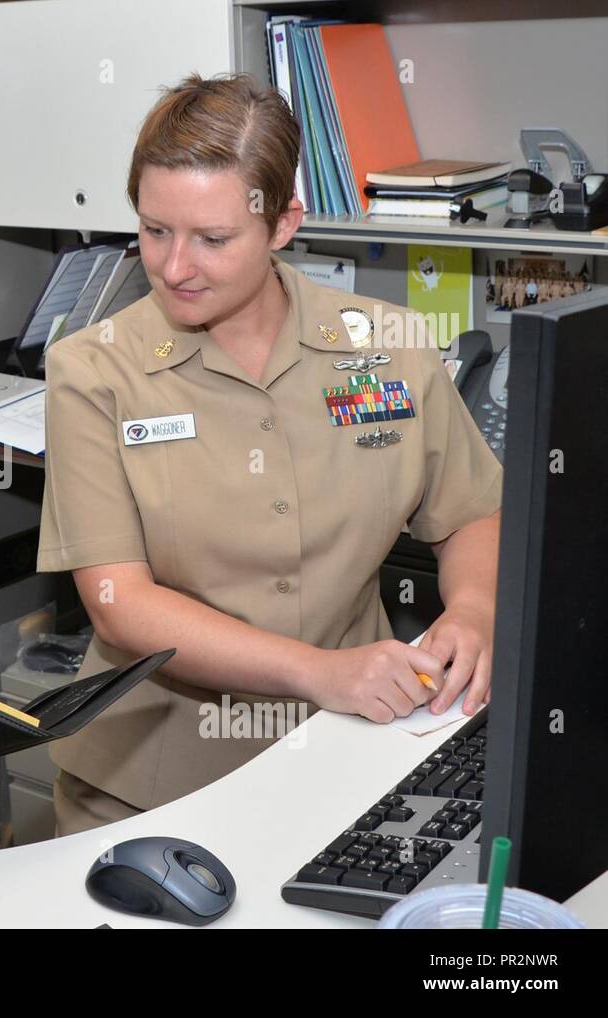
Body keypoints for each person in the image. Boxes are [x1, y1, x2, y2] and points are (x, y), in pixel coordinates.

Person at [37, 73, 501, 836]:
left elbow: (468, 511)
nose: (176, 267)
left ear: (284, 221)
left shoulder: (384, 345)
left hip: (351, 760)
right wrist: (319, 673)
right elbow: (119, 604)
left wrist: (475, 611)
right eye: (155, 230)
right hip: (150, 789)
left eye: (213, 239)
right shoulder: (95, 370)